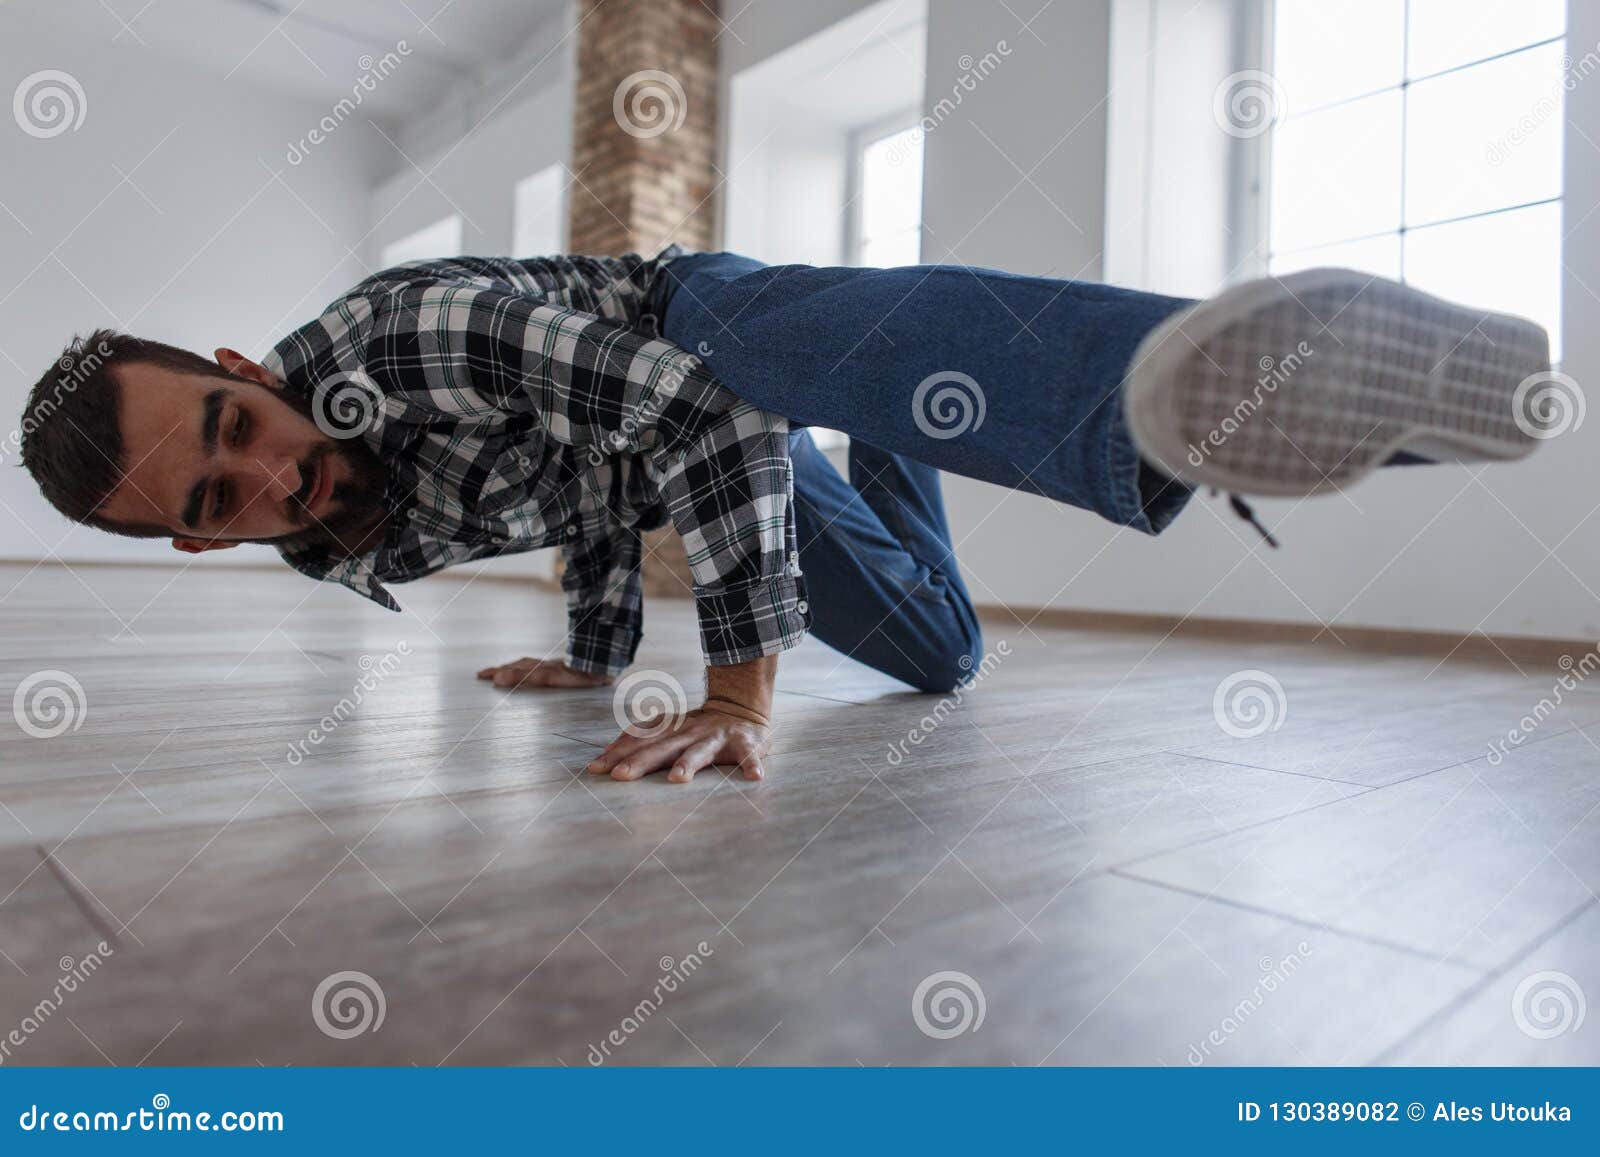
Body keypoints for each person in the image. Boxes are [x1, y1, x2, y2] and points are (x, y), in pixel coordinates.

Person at [18, 247, 1550, 784]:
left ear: (238, 371)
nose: (273, 472)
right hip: (701, 449)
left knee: (758, 350)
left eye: (240, 427)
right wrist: (597, 642)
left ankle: (1393, 392)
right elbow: (583, 481)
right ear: (207, 540)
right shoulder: (332, 534)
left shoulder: (392, 342)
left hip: (700, 330)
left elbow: (676, 409)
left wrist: (741, 685)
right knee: (942, 659)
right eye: (223, 497)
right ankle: (898, 409)